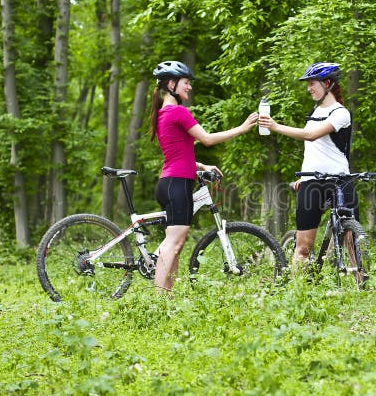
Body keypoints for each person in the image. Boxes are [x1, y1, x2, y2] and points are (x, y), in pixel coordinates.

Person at [150, 60, 258, 292]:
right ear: (171, 84)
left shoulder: (162, 113)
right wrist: (242, 128)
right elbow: (207, 139)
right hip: (177, 184)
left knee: (174, 246)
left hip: (169, 182)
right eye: (186, 83)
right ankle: (158, 301)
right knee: (173, 244)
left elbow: (176, 151)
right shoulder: (178, 111)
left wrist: (199, 165)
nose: (189, 87)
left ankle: (168, 300)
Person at [258, 62, 357, 268]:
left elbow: (311, 136)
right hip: (312, 181)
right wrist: (303, 178)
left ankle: (361, 284)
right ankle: (298, 291)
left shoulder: (340, 113)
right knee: (303, 248)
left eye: (312, 84)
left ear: (327, 83)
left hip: (339, 180)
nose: (309, 88)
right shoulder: (314, 113)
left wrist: (275, 126)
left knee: (351, 241)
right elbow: (315, 150)